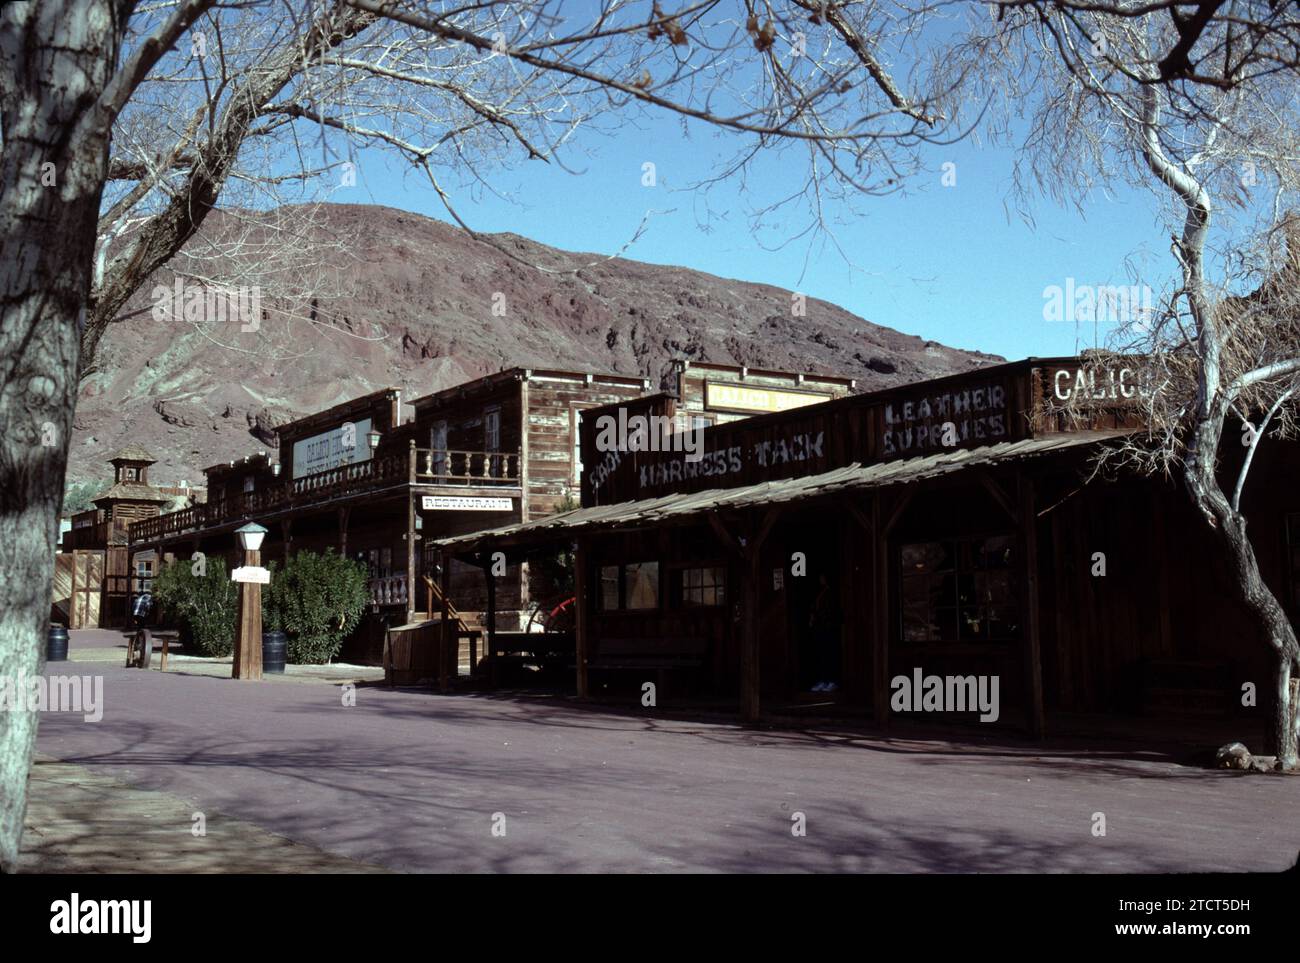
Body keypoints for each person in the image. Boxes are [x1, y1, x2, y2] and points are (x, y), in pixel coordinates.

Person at [808, 574, 841, 694]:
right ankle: (824, 679)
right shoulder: (821, 592)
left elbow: (830, 610)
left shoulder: (831, 593)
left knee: (829, 654)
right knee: (822, 654)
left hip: (828, 627)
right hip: (821, 627)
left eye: (822, 576)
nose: (820, 578)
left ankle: (832, 681)